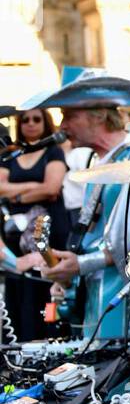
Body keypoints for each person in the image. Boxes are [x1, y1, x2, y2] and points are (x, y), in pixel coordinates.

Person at [15, 74, 130, 341]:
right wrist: (67, 271)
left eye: (70, 116)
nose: (63, 125)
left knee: (123, 377)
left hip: (123, 298)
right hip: (98, 292)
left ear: (99, 116)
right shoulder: (99, 160)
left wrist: (81, 264)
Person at [1, 107, 68, 339]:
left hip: (47, 231)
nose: (30, 123)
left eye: (37, 119)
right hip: (14, 234)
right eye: (25, 120)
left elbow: (52, 188)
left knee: (45, 288)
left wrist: (16, 194)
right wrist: (33, 189)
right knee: (17, 289)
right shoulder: (12, 154)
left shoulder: (53, 151)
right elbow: (1, 187)